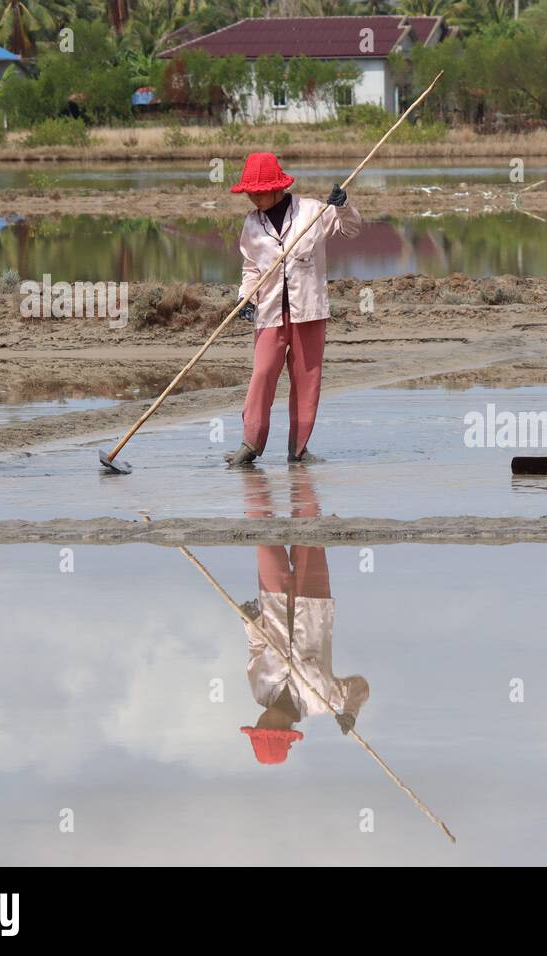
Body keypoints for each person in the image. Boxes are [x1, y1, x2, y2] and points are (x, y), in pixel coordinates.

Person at [223, 152, 362, 466]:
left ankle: (298, 450)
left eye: (259, 192)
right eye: (251, 193)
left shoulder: (311, 211)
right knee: (262, 374)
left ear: (277, 188)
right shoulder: (251, 224)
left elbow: (350, 230)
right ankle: (250, 444)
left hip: (309, 310)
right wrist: (245, 297)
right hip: (270, 310)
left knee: (306, 379)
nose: (255, 199)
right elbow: (250, 268)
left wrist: (343, 206)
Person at [238, 469, 369, 766]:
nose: (258, 720)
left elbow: (257, 647)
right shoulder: (322, 701)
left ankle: (253, 477)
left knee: (262, 532)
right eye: (261, 726)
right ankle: (303, 473)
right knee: (308, 526)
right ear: (279, 728)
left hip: (273, 602)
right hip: (314, 602)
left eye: (256, 726)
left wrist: (251, 620)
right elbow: (360, 686)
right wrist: (350, 712)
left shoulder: (259, 690)